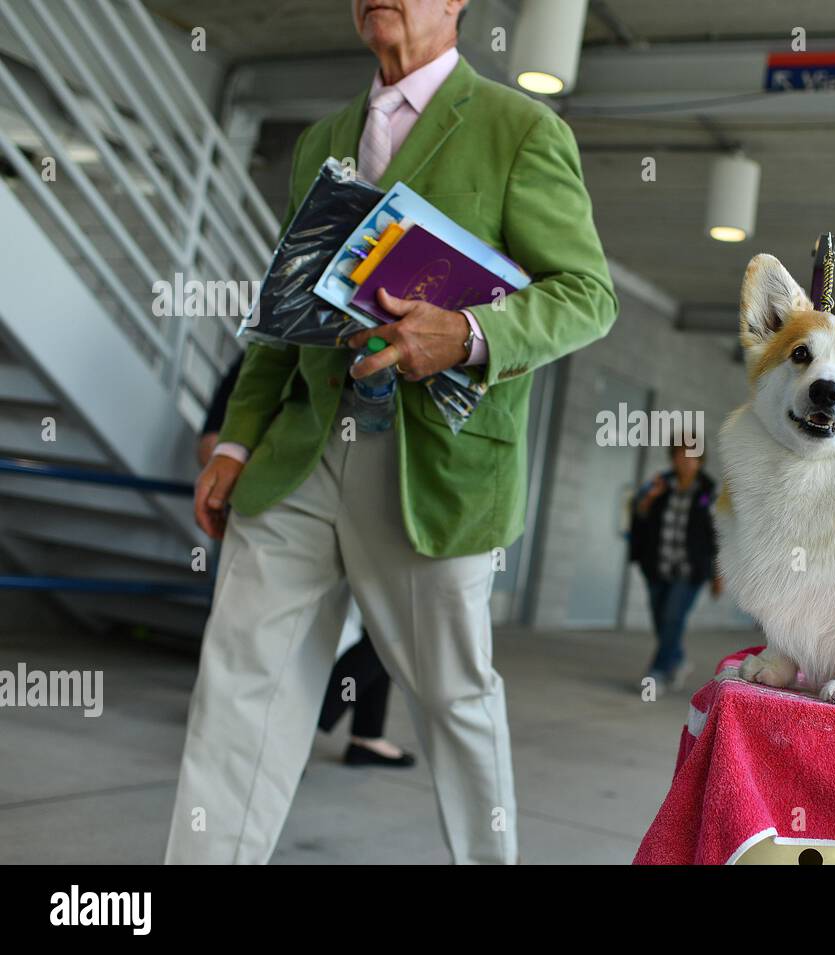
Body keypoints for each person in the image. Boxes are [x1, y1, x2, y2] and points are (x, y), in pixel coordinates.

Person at [167, 0, 617, 865]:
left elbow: (588, 296)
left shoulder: (519, 129)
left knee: (451, 699)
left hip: (430, 468)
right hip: (297, 457)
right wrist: (233, 438)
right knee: (237, 685)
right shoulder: (321, 138)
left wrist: (470, 333)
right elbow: (285, 311)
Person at [201, 356, 415, 769]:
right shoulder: (272, 352)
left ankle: (364, 733)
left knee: (392, 622)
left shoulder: (380, 350)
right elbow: (214, 437)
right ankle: (297, 727)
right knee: (274, 639)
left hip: (373, 496)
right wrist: (230, 480)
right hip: (284, 501)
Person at [628, 441, 721, 691]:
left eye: (690, 457)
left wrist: (717, 575)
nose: (684, 462)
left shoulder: (708, 491)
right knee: (662, 620)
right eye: (679, 456)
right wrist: (648, 499)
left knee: (672, 617)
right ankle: (678, 660)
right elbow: (639, 514)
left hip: (690, 571)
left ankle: (657, 673)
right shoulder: (659, 484)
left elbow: (717, 533)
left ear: (700, 461)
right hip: (657, 566)